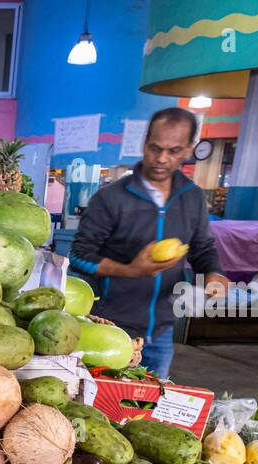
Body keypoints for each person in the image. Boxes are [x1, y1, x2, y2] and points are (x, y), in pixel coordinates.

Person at [69, 107, 227, 379]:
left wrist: (214, 273)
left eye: (174, 151)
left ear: (189, 149)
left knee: (149, 405)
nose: (162, 159)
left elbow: (203, 247)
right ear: (144, 144)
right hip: (110, 329)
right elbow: (79, 254)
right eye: (155, 148)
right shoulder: (112, 197)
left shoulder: (192, 198)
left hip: (161, 330)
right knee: (108, 409)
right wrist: (131, 270)